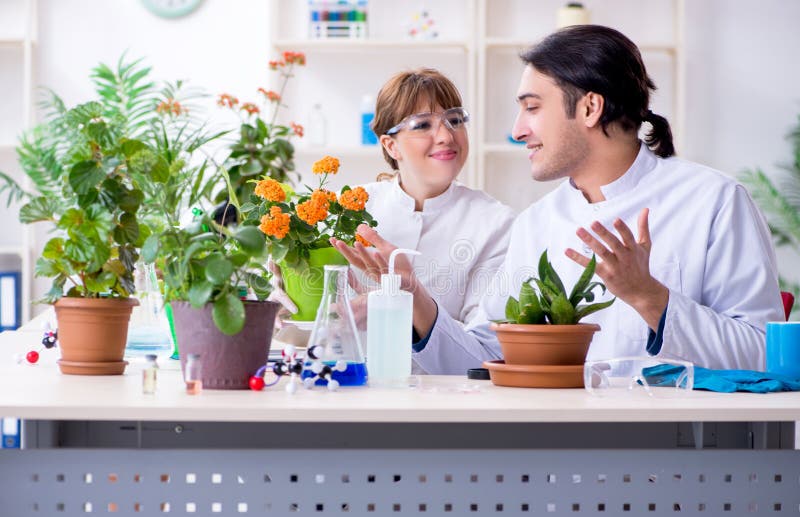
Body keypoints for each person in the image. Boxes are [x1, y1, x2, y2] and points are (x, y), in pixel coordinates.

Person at [336, 25, 784, 373]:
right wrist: (416, 298)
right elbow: (486, 357)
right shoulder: (539, 222)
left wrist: (651, 298)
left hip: (688, 472)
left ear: (589, 108)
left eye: (532, 107)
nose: (517, 130)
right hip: (561, 471)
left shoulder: (714, 202)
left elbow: (764, 356)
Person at [274, 69, 515, 353]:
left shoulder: (496, 224)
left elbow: (482, 351)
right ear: (391, 145)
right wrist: (277, 298)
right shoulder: (344, 209)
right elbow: (303, 331)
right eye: (423, 125)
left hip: (446, 394)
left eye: (454, 120)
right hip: (344, 387)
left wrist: (398, 307)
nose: (446, 136)